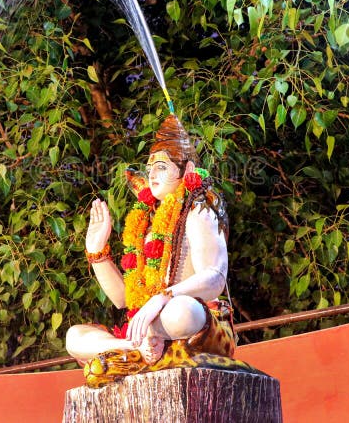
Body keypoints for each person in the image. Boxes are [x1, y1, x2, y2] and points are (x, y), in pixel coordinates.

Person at [65, 114, 240, 387]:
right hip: (149, 329)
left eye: (161, 167)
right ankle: (132, 346)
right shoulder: (147, 221)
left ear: (188, 169)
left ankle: (138, 343)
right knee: (74, 336)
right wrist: (97, 251)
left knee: (180, 311)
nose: (151, 175)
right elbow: (124, 299)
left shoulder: (199, 208)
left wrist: (164, 297)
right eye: (150, 169)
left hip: (194, 326)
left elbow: (215, 278)